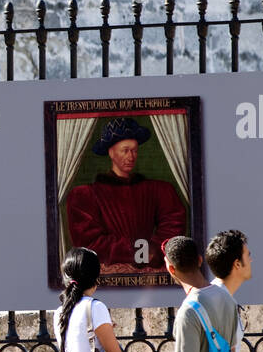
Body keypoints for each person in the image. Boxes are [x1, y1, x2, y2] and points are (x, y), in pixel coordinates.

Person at [65, 117, 187, 274]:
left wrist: (155, 249)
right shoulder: (85, 195)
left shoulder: (157, 190)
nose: (131, 157)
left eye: (135, 150)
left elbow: (173, 223)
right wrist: (139, 251)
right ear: (111, 152)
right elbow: (89, 241)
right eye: (125, 150)